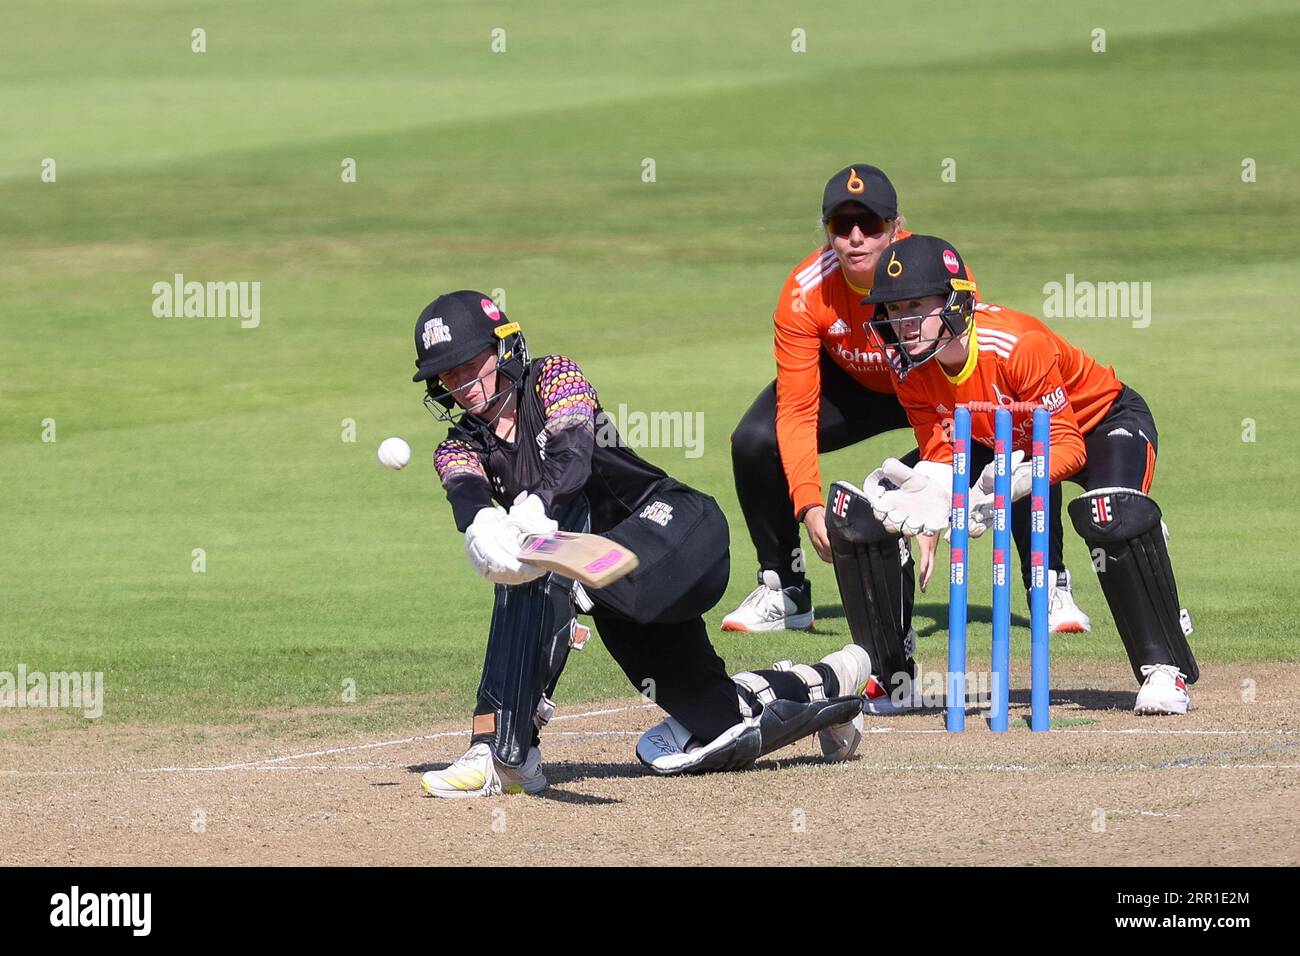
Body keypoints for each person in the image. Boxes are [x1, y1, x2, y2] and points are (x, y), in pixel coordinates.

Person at [407, 290, 867, 798]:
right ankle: (832, 679)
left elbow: (573, 449)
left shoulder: (555, 377)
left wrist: (533, 508)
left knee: (549, 566)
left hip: (677, 531)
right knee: (719, 720)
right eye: (448, 375)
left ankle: (503, 749)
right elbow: (465, 487)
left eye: (471, 364)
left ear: (503, 349)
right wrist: (479, 525)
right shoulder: (457, 447)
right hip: (619, 597)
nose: (463, 384)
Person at [724, 164, 1090, 709]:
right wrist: (809, 505)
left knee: (1010, 434)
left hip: (927, 381)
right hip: (851, 390)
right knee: (755, 439)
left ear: (897, 226)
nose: (854, 238)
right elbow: (797, 409)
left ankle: (1049, 583)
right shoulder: (804, 293)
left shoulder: (929, 264)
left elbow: (975, 377)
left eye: (869, 224)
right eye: (840, 225)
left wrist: (936, 505)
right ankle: (786, 587)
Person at [859, 236, 1198, 714]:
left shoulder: (1018, 345)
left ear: (956, 302)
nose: (902, 321)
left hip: (1099, 422)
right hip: (997, 437)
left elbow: (1068, 446)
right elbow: (941, 445)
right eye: (893, 309)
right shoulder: (909, 367)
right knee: (875, 511)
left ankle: (1164, 669)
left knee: (1109, 513)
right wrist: (933, 498)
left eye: (916, 304)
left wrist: (1017, 483)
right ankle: (893, 676)